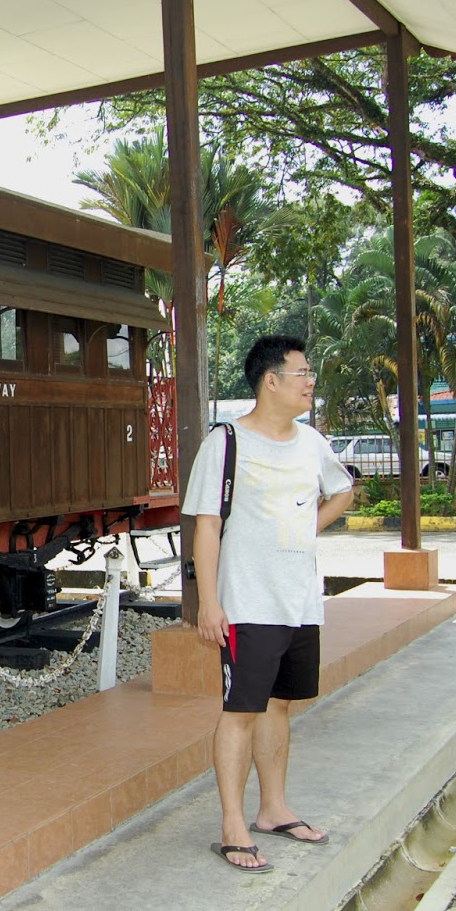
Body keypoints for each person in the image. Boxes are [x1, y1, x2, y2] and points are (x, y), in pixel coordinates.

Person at [181, 336, 354, 873]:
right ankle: (233, 823)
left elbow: (342, 490)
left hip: (300, 599)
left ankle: (273, 809)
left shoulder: (312, 443)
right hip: (247, 602)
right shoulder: (226, 442)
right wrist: (209, 603)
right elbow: (206, 526)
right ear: (270, 380)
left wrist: (305, 528)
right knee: (241, 711)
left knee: (280, 705)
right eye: (302, 373)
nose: (310, 382)